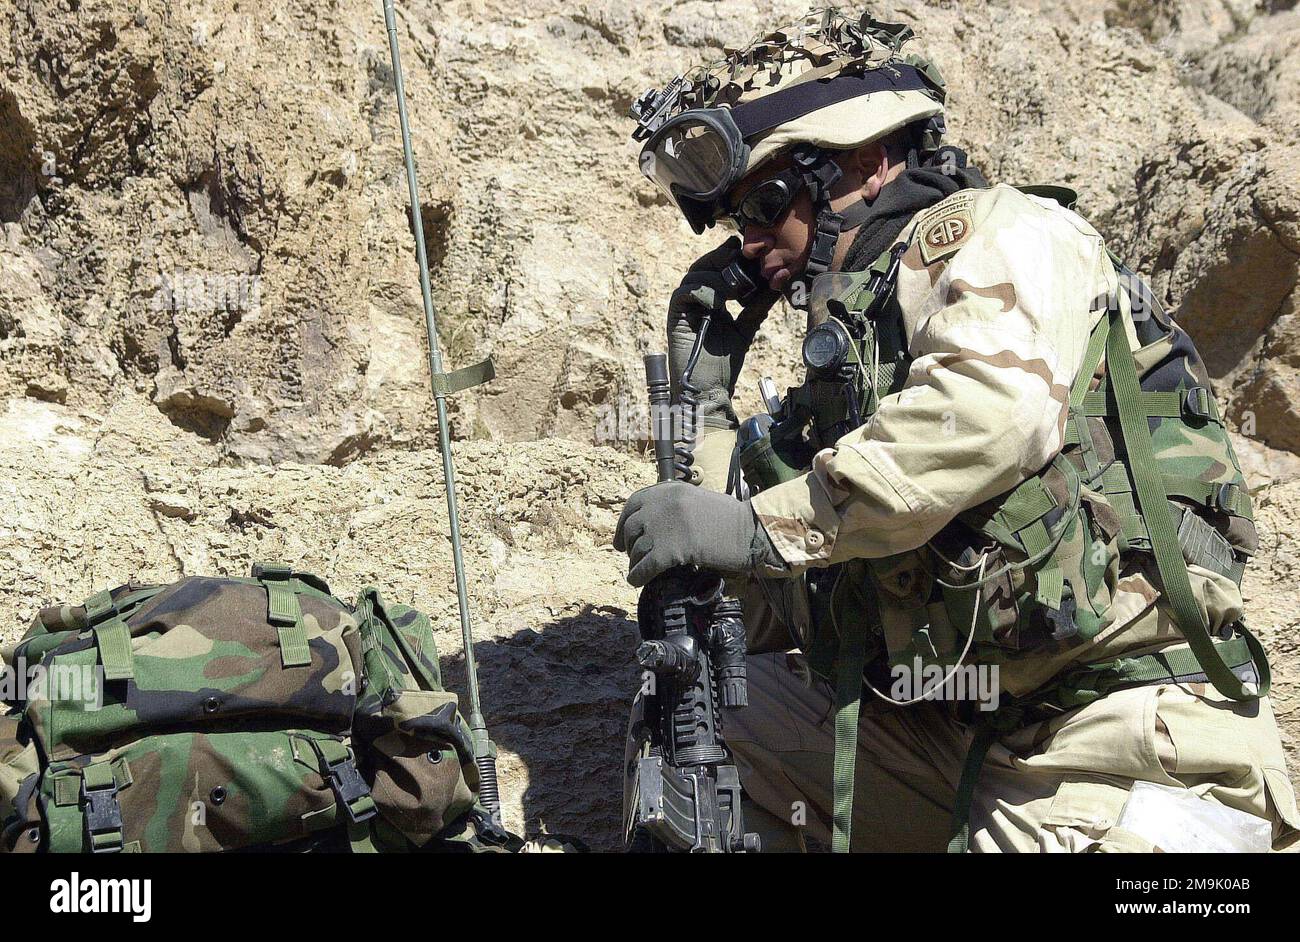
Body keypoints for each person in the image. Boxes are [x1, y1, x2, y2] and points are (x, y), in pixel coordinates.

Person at [614, 8, 1299, 852]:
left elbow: (989, 416)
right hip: (949, 735)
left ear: (865, 163)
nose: (751, 243)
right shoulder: (853, 350)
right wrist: (706, 397)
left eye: (765, 203)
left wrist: (761, 528)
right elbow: (752, 612)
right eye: (734, 222)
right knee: (705, 733)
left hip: (1122, 735)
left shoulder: (1006, 233)